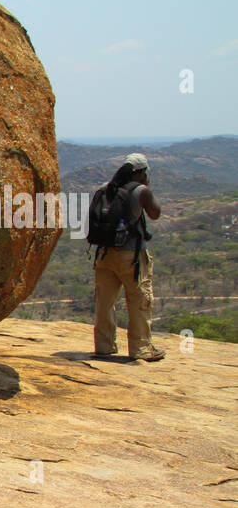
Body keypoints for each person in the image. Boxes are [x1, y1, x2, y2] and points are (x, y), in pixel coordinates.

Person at [93, 152, 165, 361]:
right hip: (131, 256)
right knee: (139, 301)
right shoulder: (141, 191)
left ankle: (104, 346)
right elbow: (155, 213)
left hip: (104, 254)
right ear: (141, 172)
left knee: (104, 302)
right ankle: (141, 349)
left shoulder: (106, 188)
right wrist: (147, 188)